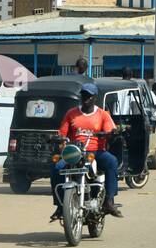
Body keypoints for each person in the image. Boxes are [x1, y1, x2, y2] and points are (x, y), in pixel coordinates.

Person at [51, 83, 123, 219]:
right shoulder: (71, 113)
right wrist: (59, 139)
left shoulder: (103, 114)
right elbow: (62, 133)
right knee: (56, 167)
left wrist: (109, 133)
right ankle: (60, 206)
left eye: (89, 96)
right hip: (75, 152)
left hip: (95, 152)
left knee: (112, 161)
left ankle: (109, 201)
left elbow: (109, 130)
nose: (86, 98)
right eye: (84, 95)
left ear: (95, 98)